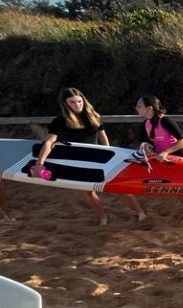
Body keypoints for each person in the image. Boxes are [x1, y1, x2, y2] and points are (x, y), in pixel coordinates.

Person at [31, 87, 146, 226]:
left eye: (80, 101)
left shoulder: (93, 116)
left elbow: (104, 138)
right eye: (72, 102)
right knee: (88, 192)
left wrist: (111, 155)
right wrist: (39, 164)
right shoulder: (60, 121)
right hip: (78, 161)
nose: (77, 105)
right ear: (65, 104)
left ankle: (140, 212)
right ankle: (103, 217)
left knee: (118, 187)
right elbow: (49, 142)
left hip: (98, 157)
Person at [135, 95, 183, 222]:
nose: (136, 108)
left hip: (181, 158)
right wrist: (146, 147)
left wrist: (165, 152)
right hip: (166, 162)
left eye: (139, 106)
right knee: (177, 189)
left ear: (149, 108)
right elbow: (145, 143)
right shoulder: (145, 124)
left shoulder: (165, 121)